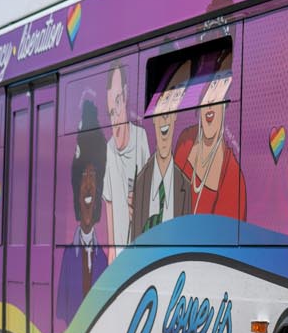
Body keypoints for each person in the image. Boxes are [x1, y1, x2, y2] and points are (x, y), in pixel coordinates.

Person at [173, 47, 245, 219]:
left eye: (223, 84)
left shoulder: (233, 175)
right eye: (212, 84)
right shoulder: (185, 141)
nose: (212, 97)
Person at [57, 97, 109, 324]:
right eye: (83, 175)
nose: (88, 184)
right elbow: (61, 315)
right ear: (76, 187)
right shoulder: (68, 257)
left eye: (93, 175)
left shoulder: (103, 260)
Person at [135, 56, 193, 232]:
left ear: (175, 116)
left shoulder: (185, 185)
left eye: (171, 108)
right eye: (162, 104)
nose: (165, 115)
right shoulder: (140, 183)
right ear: (153, 119)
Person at [100, 63, 150, 255]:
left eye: (118, 103)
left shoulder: (140, 138)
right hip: (121, 256)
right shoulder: (109, 150)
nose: (115, 119)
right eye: (111, 112)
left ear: (126, 95)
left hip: (139, 249)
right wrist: (112, 254)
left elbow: (151, 193)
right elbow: (109, 206)